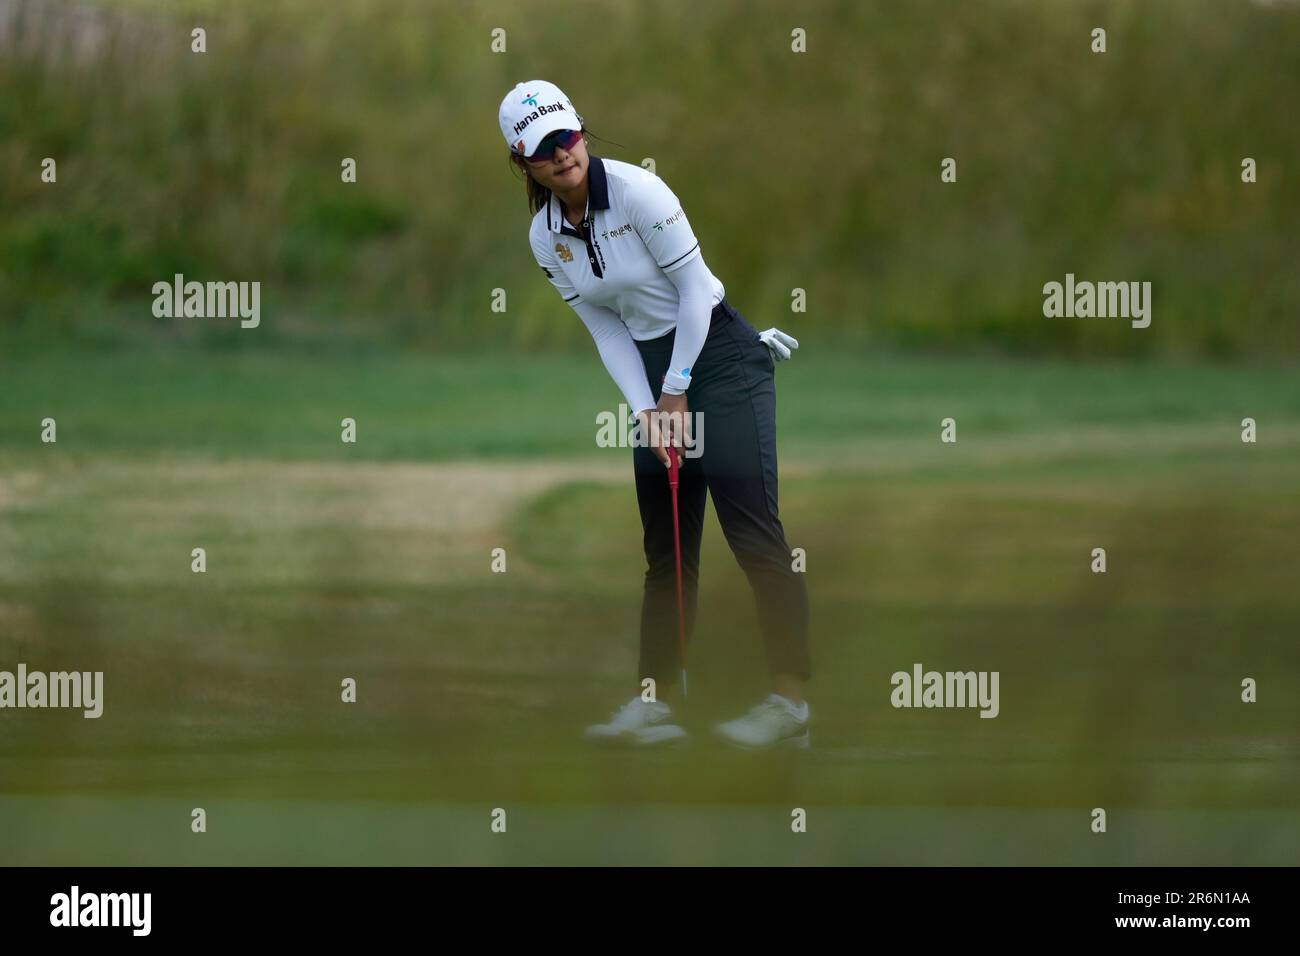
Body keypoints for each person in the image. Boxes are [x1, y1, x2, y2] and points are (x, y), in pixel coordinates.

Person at [499, 80, 811, 748]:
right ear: (523, 164)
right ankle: (659, 701)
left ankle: (789, 707)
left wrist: (675, 391)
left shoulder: (641, 193)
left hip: (721, 359)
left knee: (755, 537)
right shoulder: (544, 236)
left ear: (582, 129)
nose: (562, 154)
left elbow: (696, 293)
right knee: (666, 550)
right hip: (652, 372)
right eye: (543, 149)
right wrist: (646, 409)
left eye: (568, 136)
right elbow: (606, 327)